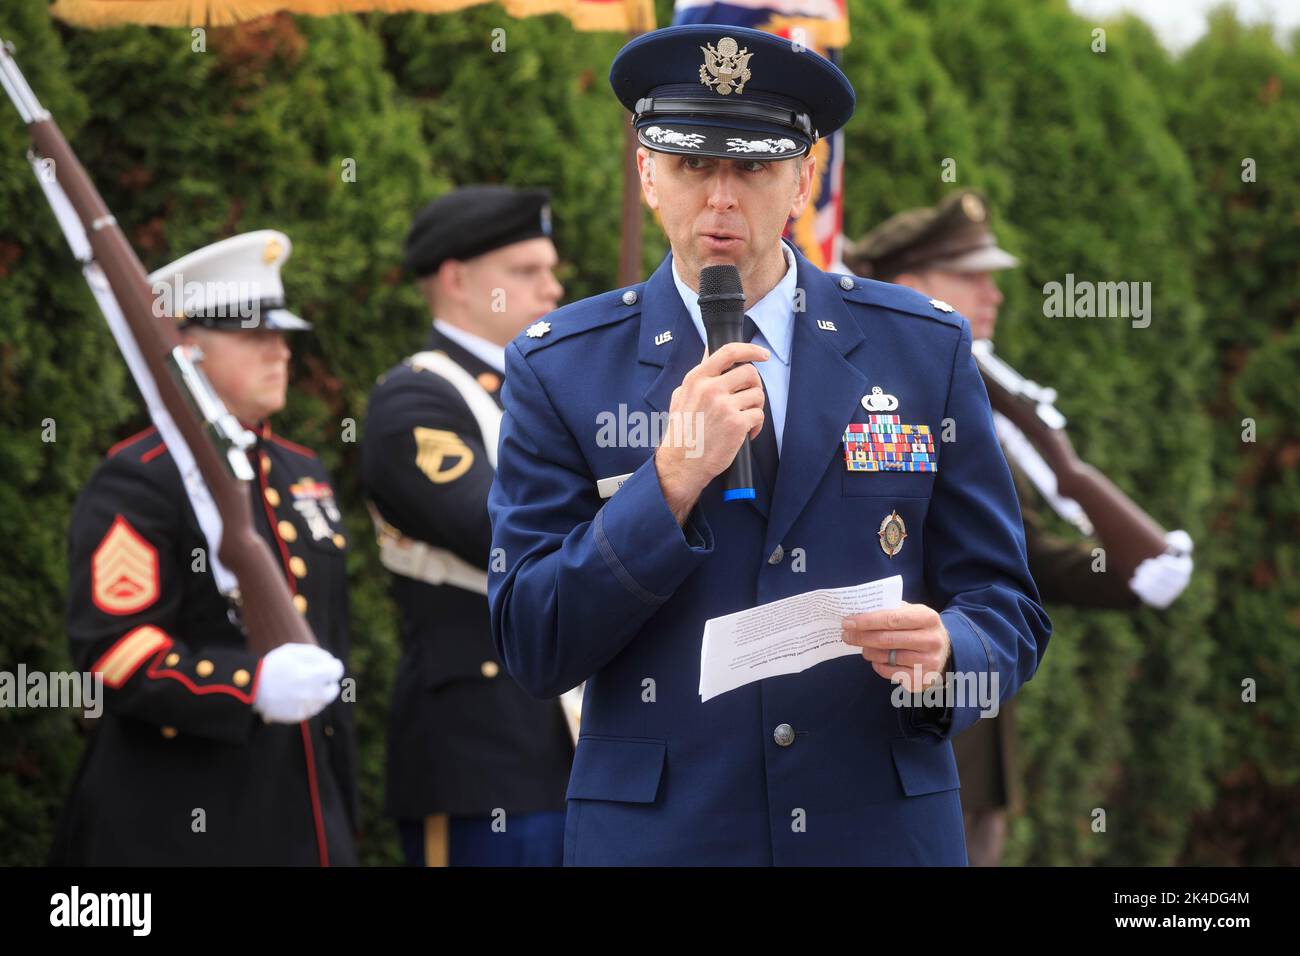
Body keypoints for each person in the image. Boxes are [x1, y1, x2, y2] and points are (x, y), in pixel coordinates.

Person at [486, 25, 1052, 866]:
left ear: (804, 178)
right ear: (647, 172)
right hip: (664, 838)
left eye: (750, 167)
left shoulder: (921, 349)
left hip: (877, 832)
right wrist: (668, 483)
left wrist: (953, 652)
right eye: (690, 166)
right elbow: (533, 642)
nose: (720, 199)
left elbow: (1006, 605)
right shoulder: (558, 366)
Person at [847, 189, 1194, 865]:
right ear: (911, 286)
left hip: (961, 724)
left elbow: (1007, 559)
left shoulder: (970, 390)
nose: (993, 294)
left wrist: (1119, 564)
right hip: (910, 736)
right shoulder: (895, 399)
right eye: (970, 277)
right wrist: (1122, 574)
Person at [50, 231, 358, 866]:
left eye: (282, 335)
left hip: (305, 817)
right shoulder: (141, 478)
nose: (281, 351)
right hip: (181, 823)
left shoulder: (301, 470)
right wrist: (249, 685)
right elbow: (115, 652)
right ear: (186, 350)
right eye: (252, 335)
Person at [361, 186, 573, 867]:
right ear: (455, 279)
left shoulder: (552, 390)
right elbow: (503, 530)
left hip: (579, 749)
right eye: (525, 271)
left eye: (550, 268)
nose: (553, 286)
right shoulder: (417, 398)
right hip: (481, 755)